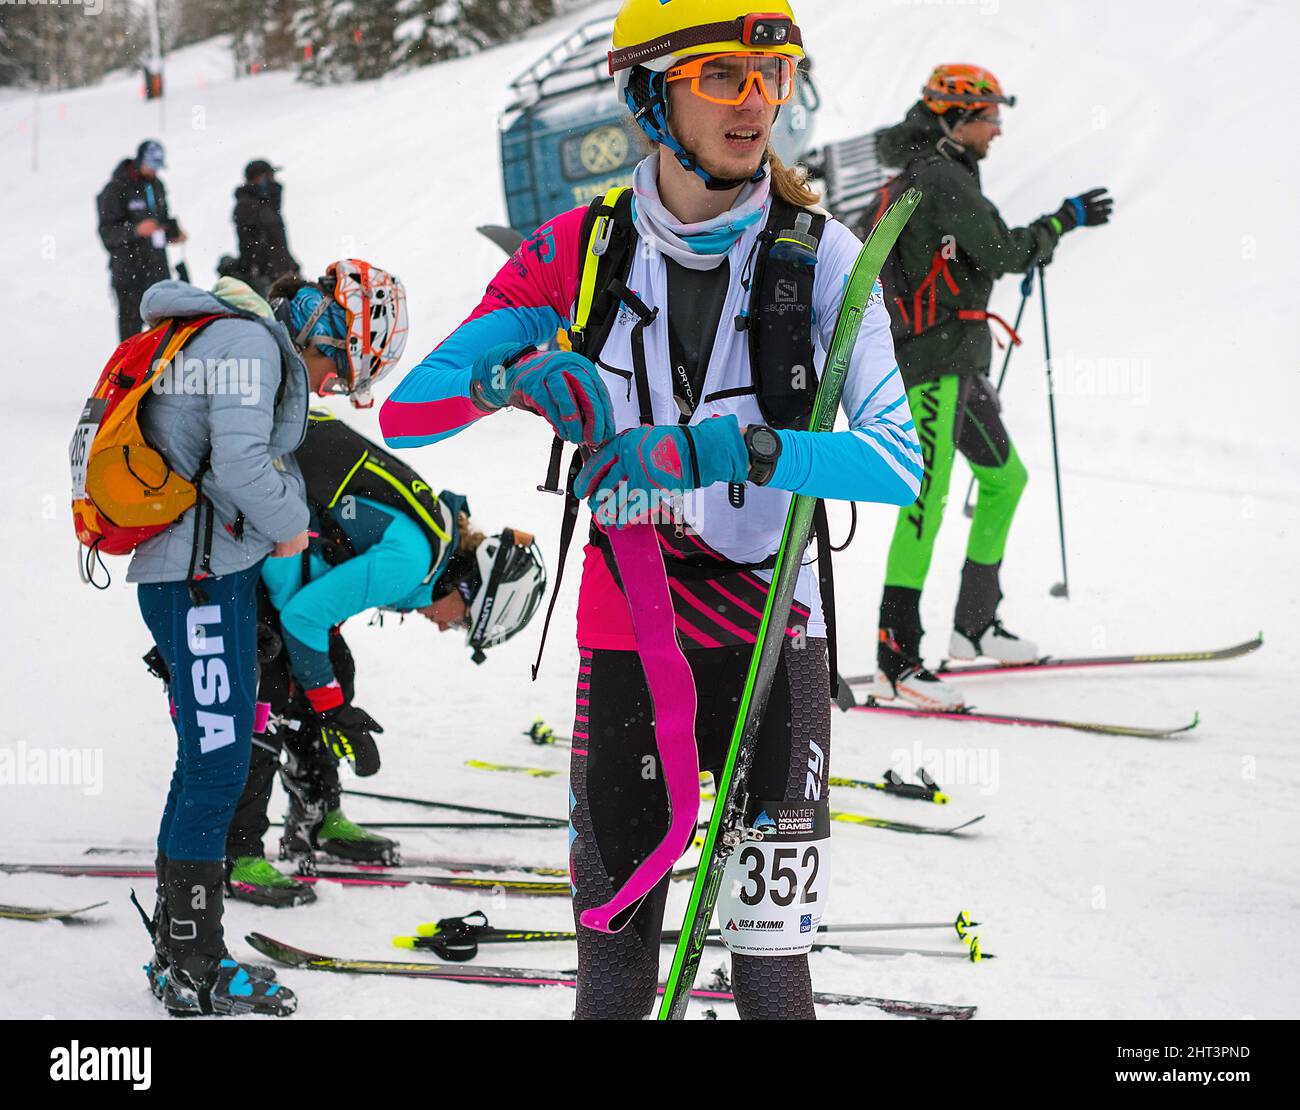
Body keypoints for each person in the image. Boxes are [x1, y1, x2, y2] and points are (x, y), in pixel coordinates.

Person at [379, 0, 921, 1020]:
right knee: (618, 968)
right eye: (722, 76)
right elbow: (409, 413)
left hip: (775, 635)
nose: (755, 102)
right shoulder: (580, 250)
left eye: (773, 75)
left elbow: (899, 465)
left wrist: (730, 446)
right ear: (649, 96)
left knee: (770, 977)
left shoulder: (824, 256)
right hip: (629, 631)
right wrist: (517, 376)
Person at [223, 406, 546, 907]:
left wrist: (334, 702)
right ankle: (239, 857)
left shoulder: (434, 537)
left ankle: (318, 817)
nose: (447, 627)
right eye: (461, 619)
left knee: (333, 672)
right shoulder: (412, 561)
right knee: (273, 692)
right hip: (242, 551)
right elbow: (302, 618)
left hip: (271, 547)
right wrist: (333, 710)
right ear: (465, 583)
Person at [867, 64, 1113, 710]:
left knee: (1006, 478)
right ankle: (896, 656)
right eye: (989, 117)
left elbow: (989, 250)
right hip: (929, 365)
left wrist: (1050, 232)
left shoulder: (942, 166)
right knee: (925, 503)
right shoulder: (939, 175)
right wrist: (1061, 223)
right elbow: (1003, 250)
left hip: (959, 360)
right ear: (954, 116)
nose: (998, 130)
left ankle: (972, 626)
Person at [129, 273, 309, 1016]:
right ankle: (199, 964)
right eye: (331, 372)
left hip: (198, 573)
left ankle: (179, 956)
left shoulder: (211, 336)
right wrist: (291, 522)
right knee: (218, 766)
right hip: (197, 577)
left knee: (205, 762)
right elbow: (239, 462)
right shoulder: (245, 341)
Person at [97, 140, 187, 341]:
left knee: (166, 333)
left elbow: (161, 219)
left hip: (157, 271)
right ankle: (130, 372)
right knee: (131, 337)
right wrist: (135, 230)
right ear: (139, 161)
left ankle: (164, 371)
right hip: (129, 274)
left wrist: (173, 232)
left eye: (158, 167)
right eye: (152, 165)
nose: (155, 171)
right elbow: (107, 233)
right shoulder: (115, 189)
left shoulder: (157, 185)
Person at [221, 159, 300, 298]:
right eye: (270, 176)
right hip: (270, 282)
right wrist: (265, 276)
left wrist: (292, 268)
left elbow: (278, 245)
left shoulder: (266, 206)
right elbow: (252, 247)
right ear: (259, 178)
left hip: (281, 278)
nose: (274, 180)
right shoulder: (249, 206)